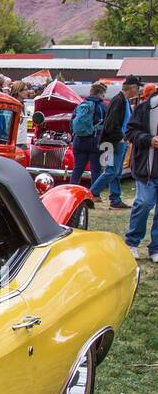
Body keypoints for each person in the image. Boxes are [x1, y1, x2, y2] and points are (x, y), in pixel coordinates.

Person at [90, 75, 140, 209]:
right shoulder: (119, 100)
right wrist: (121, 137)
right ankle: (91, 193)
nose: (138, 90)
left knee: (117, 172)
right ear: (132, 87)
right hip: (114, 142)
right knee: (112, 171)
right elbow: (111, 123)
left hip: (118, 142)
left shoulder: (124, 100)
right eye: (137, 87)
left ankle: (115, 199)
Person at [123, 84, 158, 260]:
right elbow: (130, 132)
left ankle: (156, 248)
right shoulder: (145, 108)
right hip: (147, 168)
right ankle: (132, 242)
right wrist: (149, 139)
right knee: (143, 204)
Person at [69, 81, 108, 187]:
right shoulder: (103, 107)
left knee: (77, 168)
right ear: (102, 93)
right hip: (95, 140)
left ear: (90, 92)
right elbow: (108, 125)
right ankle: (94, 194)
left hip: (79, 140)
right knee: (96, 169)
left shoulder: (81, 105)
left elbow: (72, 122)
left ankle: (72, 189)